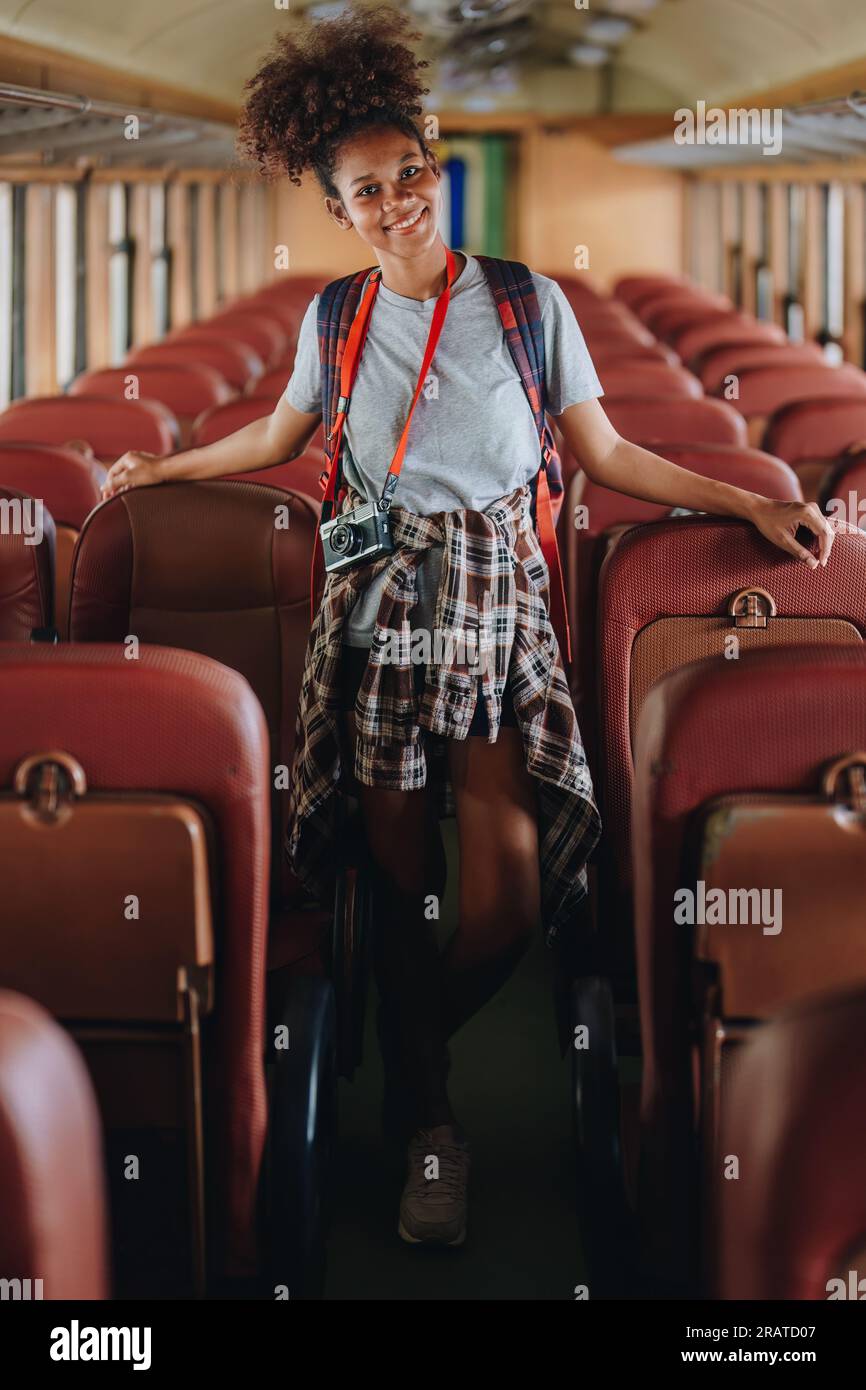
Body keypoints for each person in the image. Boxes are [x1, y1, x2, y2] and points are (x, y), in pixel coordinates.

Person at [101, 2, 834, 1251]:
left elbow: (607, 455)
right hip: (380, 594)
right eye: (367, 192)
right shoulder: (330, 319)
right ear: (336, 210)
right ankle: (430, 1119)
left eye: (408, 176)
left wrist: (750, 498)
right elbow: (280, 439)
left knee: (494, 891)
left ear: (431, 168)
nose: (397, 204)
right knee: (395, 876)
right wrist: (152, 473)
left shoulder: (523, 304)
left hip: (493, 598)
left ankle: (391, 1039)